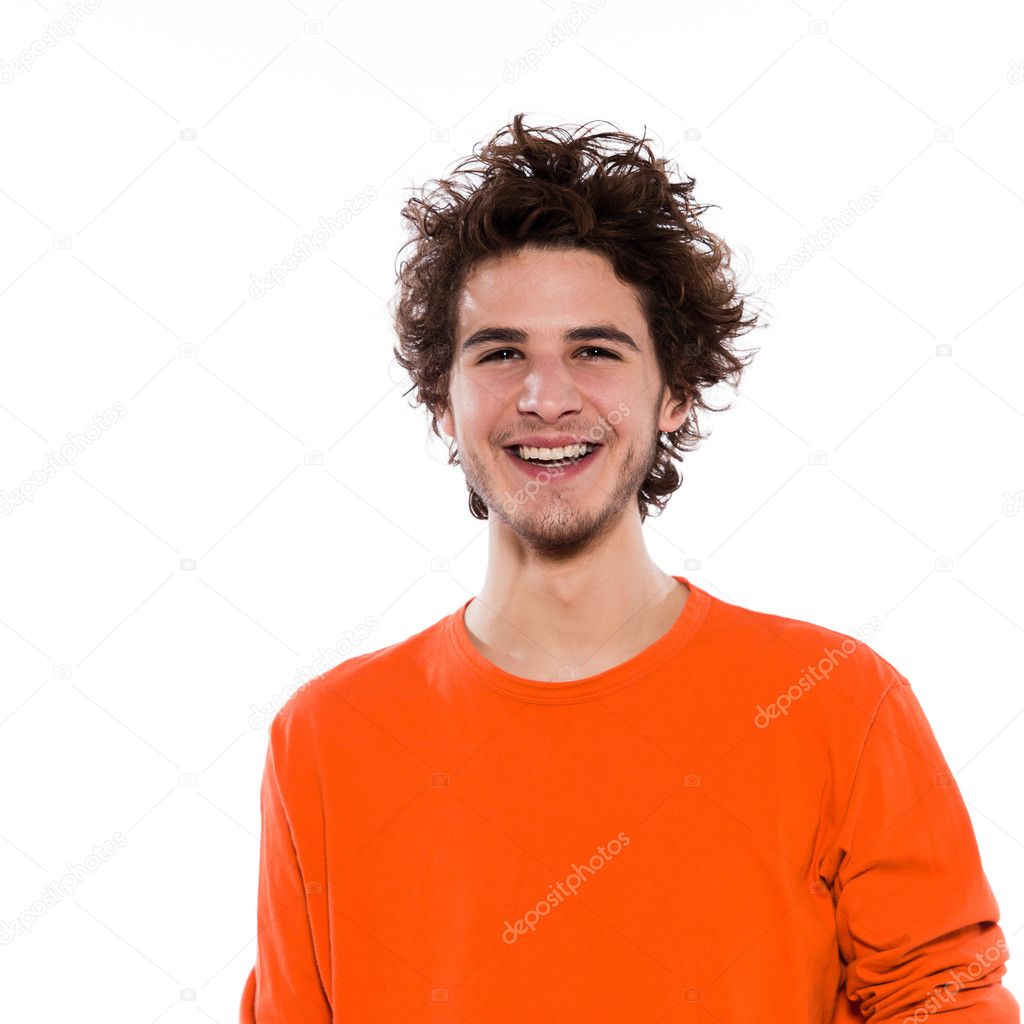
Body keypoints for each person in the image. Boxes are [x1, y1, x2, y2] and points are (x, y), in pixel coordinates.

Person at [240, 114, 1018, 1022]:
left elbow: (945, 999)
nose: (546, 396)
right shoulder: (325, 740)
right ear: (442, 406)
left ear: (676, 393)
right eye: (500, 355)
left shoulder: (836, 704)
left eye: (594, 350)